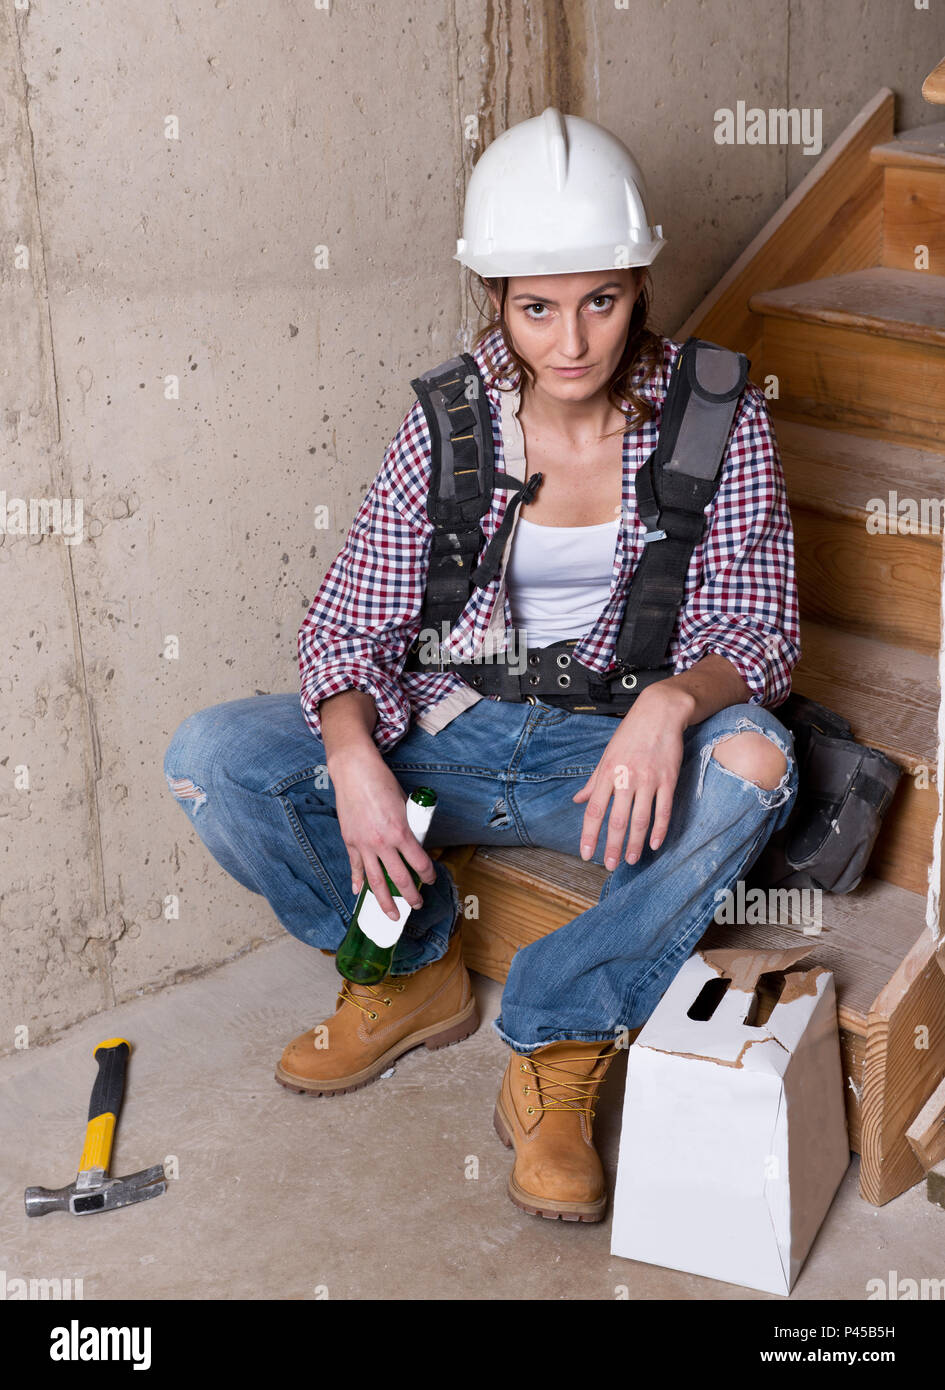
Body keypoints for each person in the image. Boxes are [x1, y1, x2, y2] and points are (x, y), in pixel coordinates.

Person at [164, 108, 801, 1224]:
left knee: (756, 762)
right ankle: (414, 967)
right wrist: (353, 749)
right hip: (446, 732)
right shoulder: (451, 421)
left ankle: (559, 1032)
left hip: (602, 766)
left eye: (600, 300)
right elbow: (345, 625)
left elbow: (761, 628)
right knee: (212, 757)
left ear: (639, 286)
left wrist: (671, 699)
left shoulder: (718, 413)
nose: (571, 344)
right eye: (537, 308)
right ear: (495, 300)